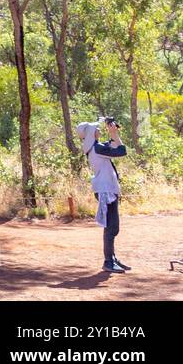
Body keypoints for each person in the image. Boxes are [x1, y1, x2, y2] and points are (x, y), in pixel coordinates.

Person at [77, 117, 129, 273]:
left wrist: (114, 133)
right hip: (106, 190)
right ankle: (108, 261)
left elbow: (114, 144)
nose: (99, 129)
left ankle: (112, 258)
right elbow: (121, 151)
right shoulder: (97, 148)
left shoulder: (95, 147)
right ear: (92, 133)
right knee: (111, 227)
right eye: (96, 128)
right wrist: (113, 133)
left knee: (112, 226)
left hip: (106, 189)